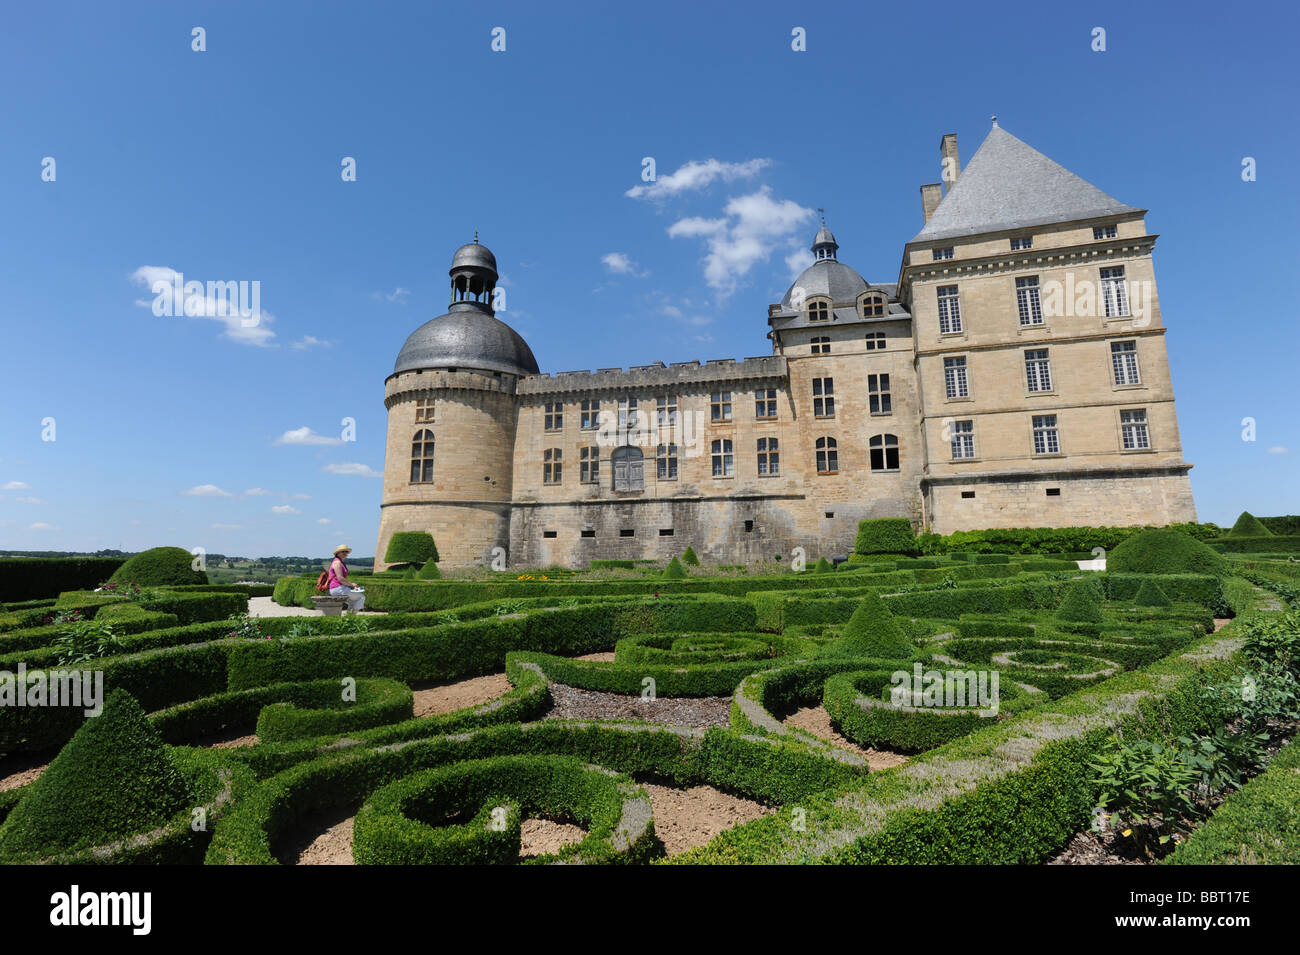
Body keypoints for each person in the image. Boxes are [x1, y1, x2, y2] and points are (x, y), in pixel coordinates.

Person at [326, 545, 365, 613]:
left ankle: (348, 618)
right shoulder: (337, 563)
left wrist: (350, 585)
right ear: (337, 553)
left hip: (338, 588)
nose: (345, 553)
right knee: (361, 597)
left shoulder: (340, 562)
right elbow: (340, 578)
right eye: (342, 551)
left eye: (346, 551)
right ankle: (350, 619)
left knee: (353, 602)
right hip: (337, 588)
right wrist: (351, 585)